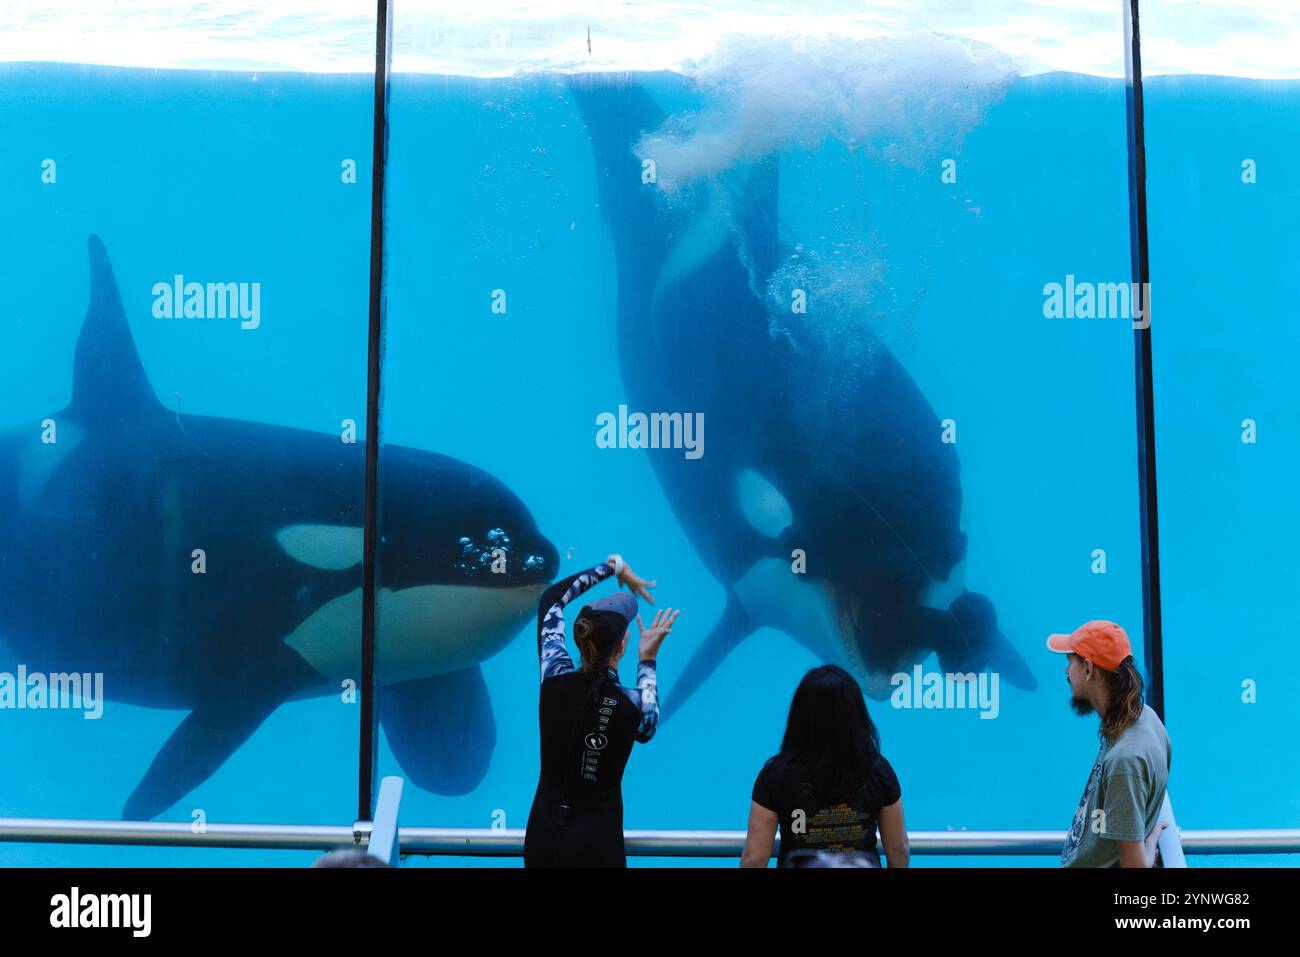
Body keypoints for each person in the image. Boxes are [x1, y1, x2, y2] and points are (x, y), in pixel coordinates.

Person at [523, 553, 678, 867]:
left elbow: (551, 600)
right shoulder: (634, 705)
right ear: (622, 646)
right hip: (597, 848)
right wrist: (647, 660)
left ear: (581, 639)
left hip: (542, 840)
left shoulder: (553, 676)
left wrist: (612, 568)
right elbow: (648, 728)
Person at [741, 665, 909, 868]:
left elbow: (755, 858)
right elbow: (898, 849)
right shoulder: (879, 771)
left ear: (800, 716)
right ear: (856, 715)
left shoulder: (774, 776)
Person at [1049, 620, 1172, 868]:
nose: (1066, 672)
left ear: (1088, 669)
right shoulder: (1146, 718)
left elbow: (1135, 866)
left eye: (1069, 661)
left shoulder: (1126, 759)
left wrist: (1150, 844)